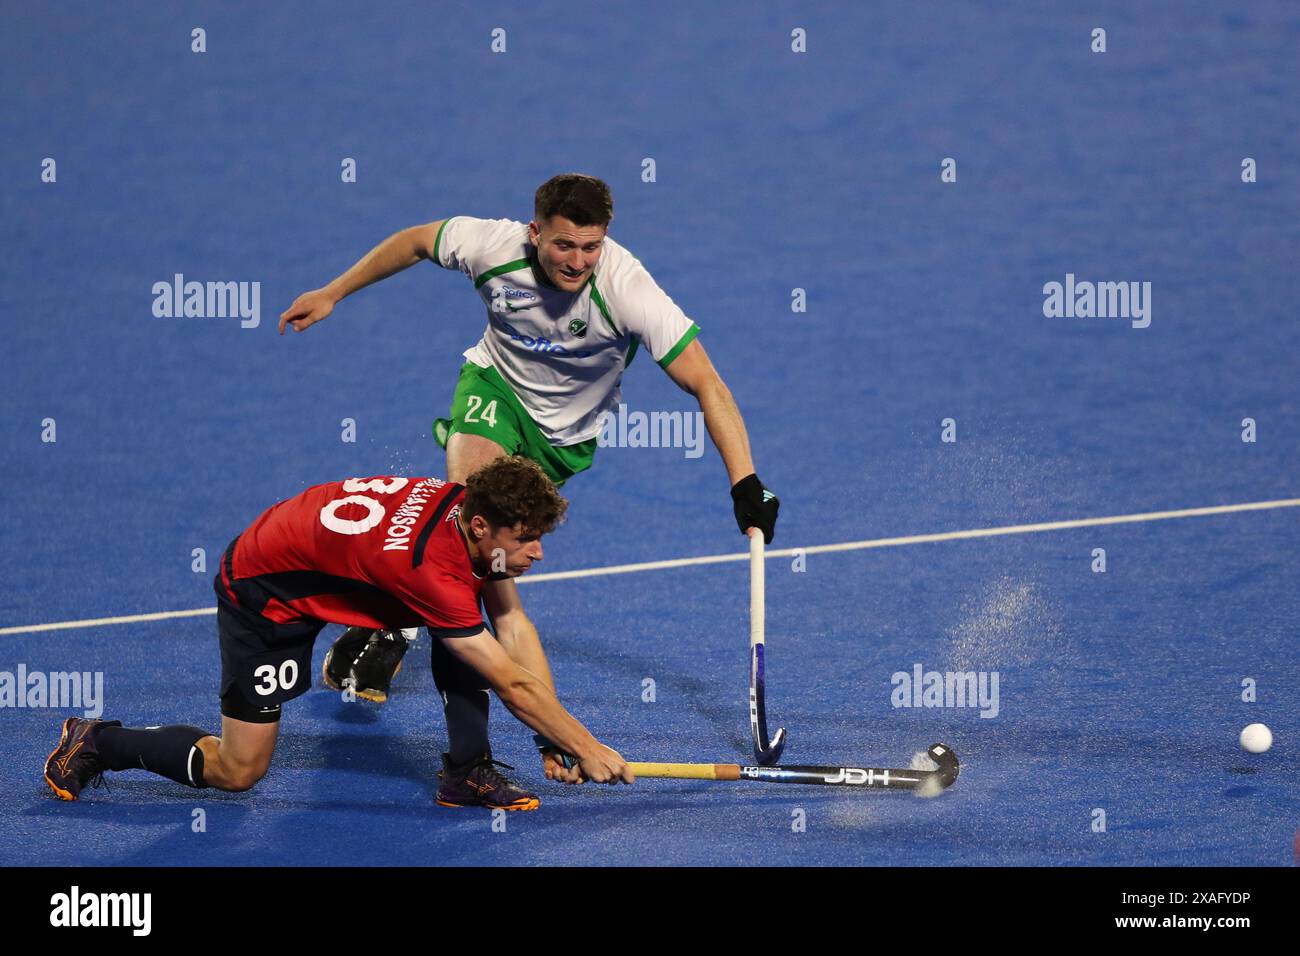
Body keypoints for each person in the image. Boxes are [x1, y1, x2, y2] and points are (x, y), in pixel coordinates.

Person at [277, 174, 781, 735]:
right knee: (475, 517)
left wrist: (745, 482)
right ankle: (446, 689)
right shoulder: (492, 246)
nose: (577, 261)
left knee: (486, 551)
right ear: (535, 231)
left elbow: (707, 384)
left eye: (591, 246)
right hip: (494, 388)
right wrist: (333, 292)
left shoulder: (628, 290)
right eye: (564, 244)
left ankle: (398, 612)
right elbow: (417, 241)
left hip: (564, 438)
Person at [44, 457, 633, 811]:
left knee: (466, 626)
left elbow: (512, 626)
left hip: (327, 556)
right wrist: (586, 746)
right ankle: (98, 740)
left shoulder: (466, 512)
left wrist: (552, 739)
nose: (538, 554)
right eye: (527, 539)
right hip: (266, 593)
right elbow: (511, 683)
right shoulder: (431, 568)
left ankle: (465, 771)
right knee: (238, 771)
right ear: (482, 526)